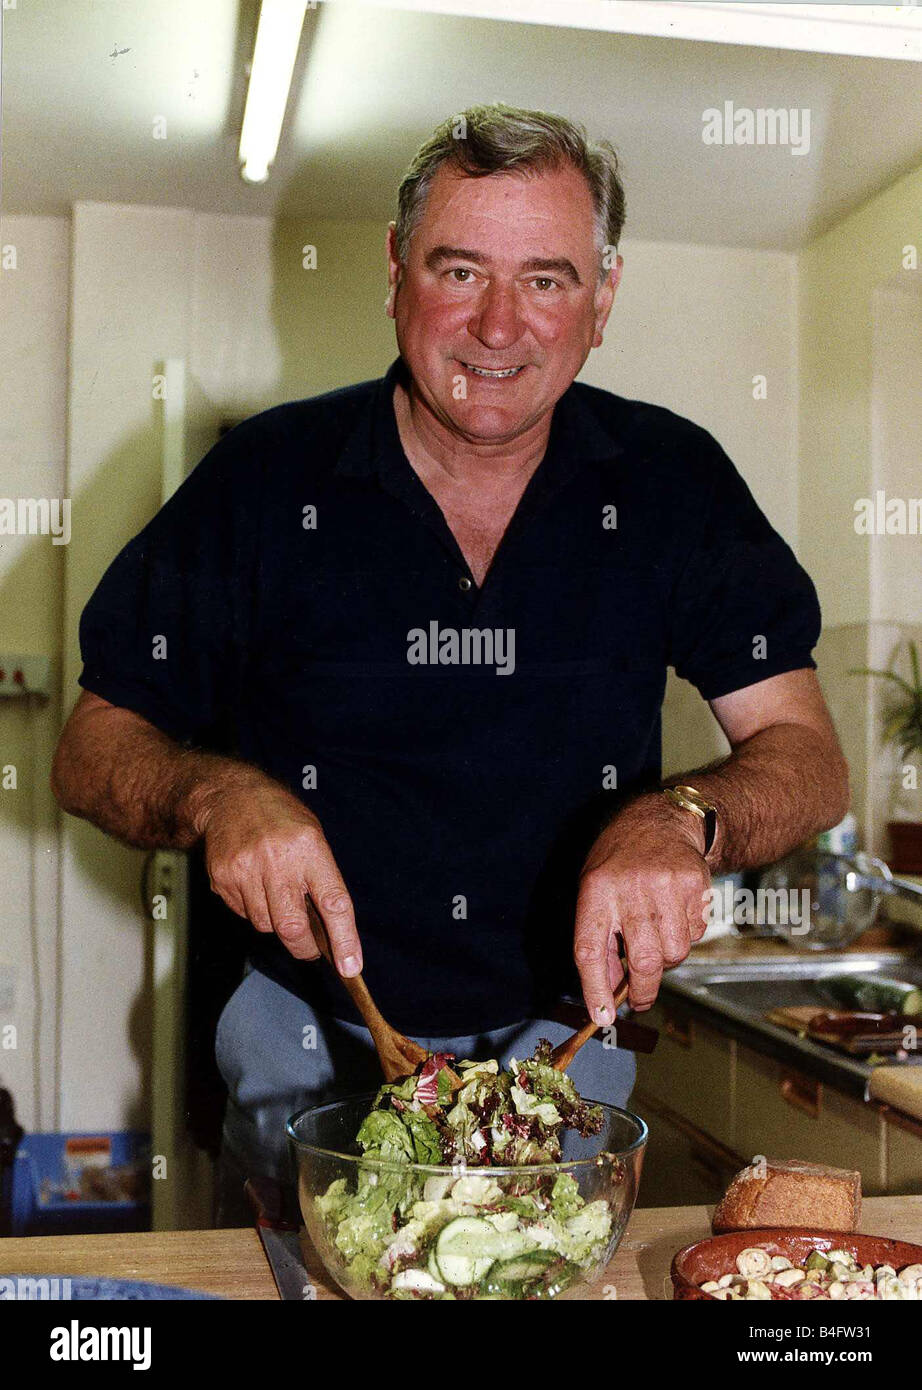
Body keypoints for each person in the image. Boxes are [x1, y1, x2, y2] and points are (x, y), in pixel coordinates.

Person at [51, 105, 849, 1224]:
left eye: (547, 280)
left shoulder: (672, 483)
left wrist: (683, 818)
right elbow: (92, 749)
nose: (497, 326)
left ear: (602, 301)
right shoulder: (264, 479)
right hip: (303, 1042)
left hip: (567, 1049)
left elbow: (805, 756)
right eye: (459, 268)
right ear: (395, 271)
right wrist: (215, 790)